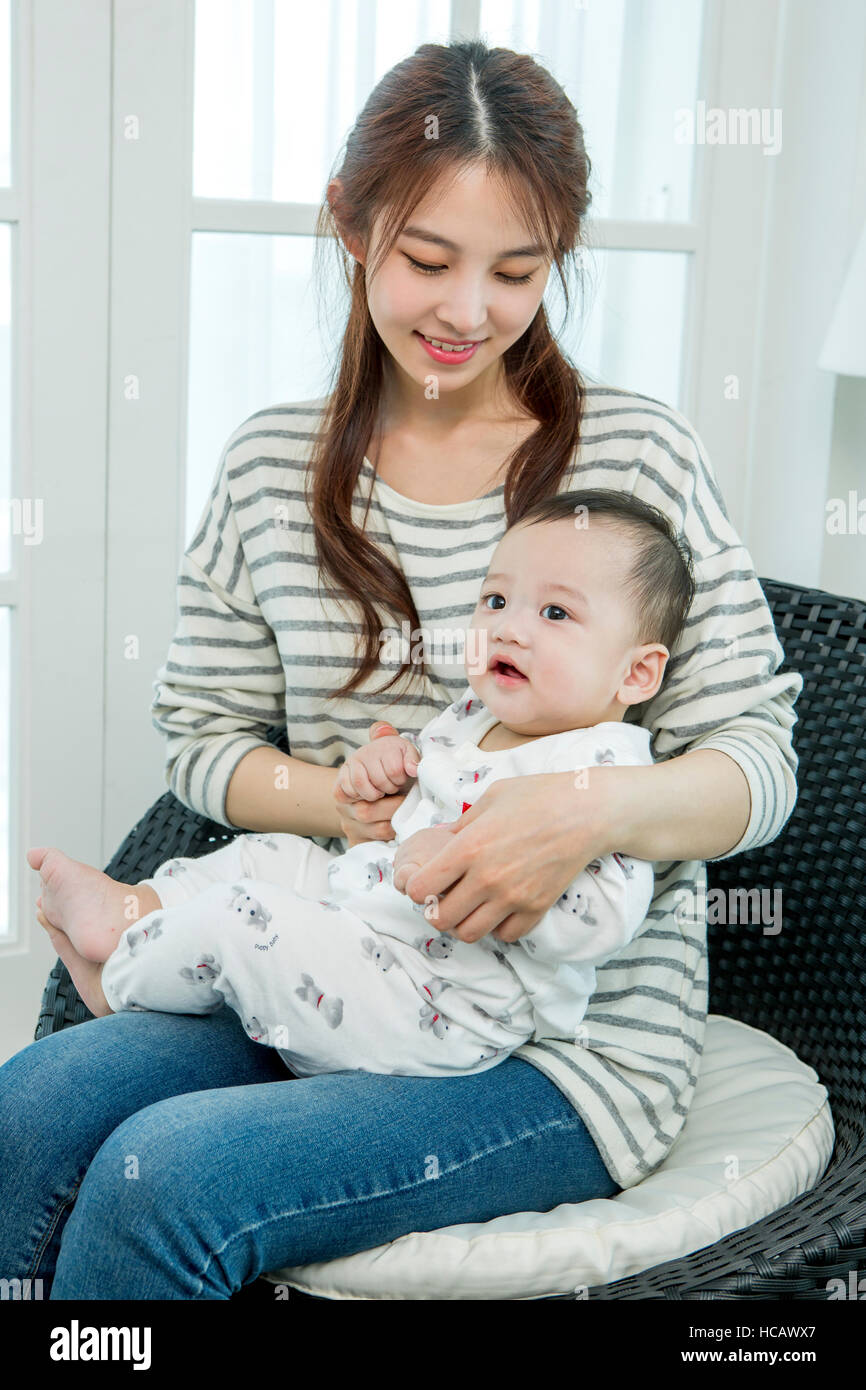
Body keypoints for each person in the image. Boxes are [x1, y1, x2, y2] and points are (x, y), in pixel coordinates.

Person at [0, 38, 802, 1300]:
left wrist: (565, 815)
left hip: (552, 1047)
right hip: (330, 966)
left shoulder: (636, 458)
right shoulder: (271, 465)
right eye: (426, 259)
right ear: (348, 223)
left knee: (167, 1179)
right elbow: (202, 738)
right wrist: (345, 800)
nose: (465, 311)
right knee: (26, 1114)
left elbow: (757, 764)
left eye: (517, 270)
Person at [26, 489, 692, 1082]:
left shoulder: (608, 771)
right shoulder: (477, 715)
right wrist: (390, 769)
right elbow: (412, 802)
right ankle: (136, 911)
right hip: (367, 915)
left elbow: (601, 921)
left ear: (636, 675)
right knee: (271, 856)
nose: (509, 626)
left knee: (243, 922)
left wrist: (454, 864)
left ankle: (119, 981)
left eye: (554, 613)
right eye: (496, 599)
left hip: (436, 1002)